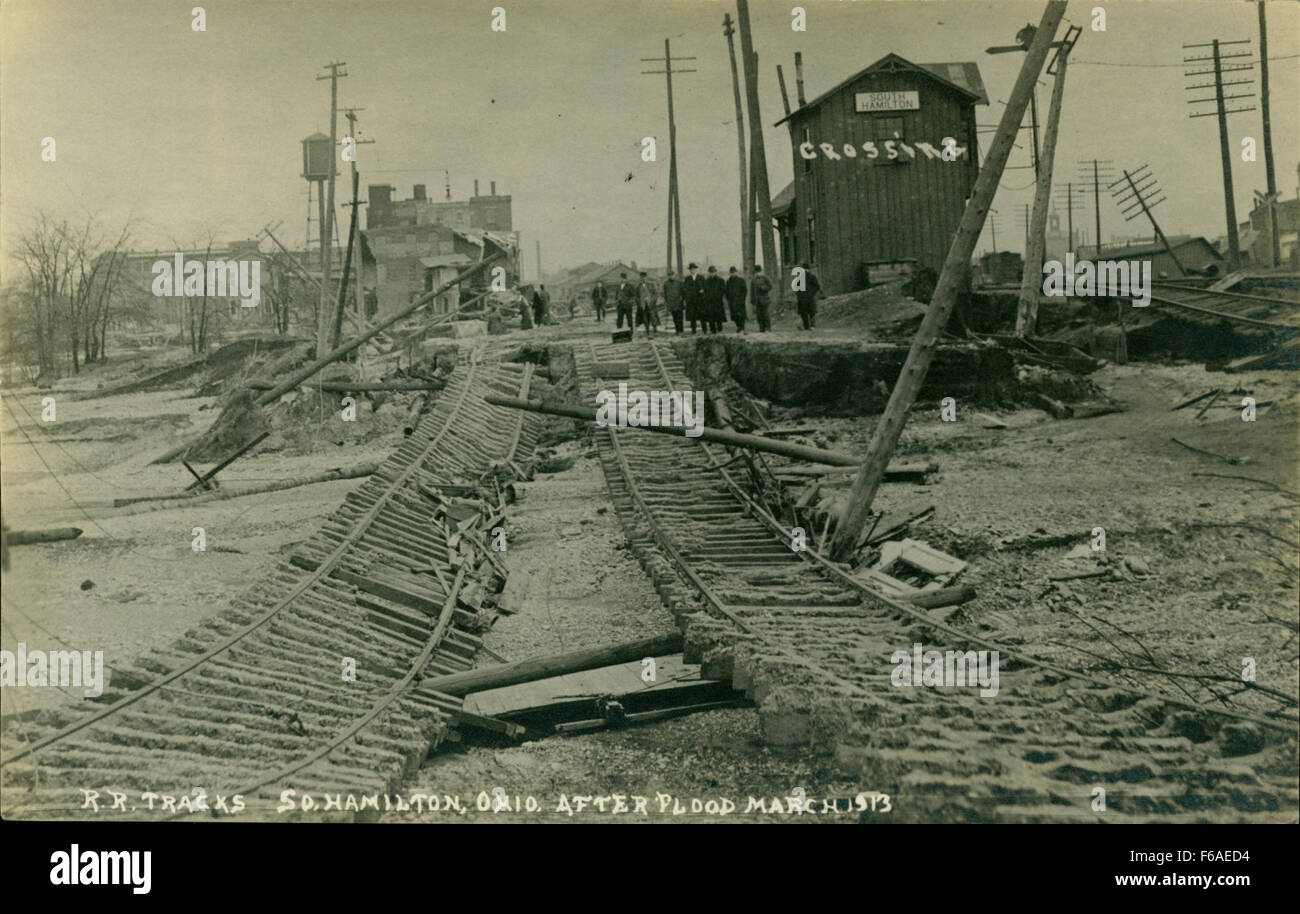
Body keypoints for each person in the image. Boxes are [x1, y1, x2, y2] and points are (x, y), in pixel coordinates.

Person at [795, 263, 821, 330]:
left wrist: (811, 293)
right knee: (804, 313)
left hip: (809, 298)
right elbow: (796, 288)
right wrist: (799, 295)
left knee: (811, 312)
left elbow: (817, 286)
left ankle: (812, 326)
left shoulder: (812, 277)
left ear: (809, 270)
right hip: (802, 298)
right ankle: (806, 326)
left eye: (806, 269)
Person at [703, 266, 727, 334]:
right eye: (710, 272)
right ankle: (712, 330)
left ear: (716, 272)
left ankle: (720, 329)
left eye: (713, 272)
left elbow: (723, 290)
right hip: (709, 302)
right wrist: (707, 297)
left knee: (719, 316)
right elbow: (705, 291)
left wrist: (718, 296)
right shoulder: (707, 281)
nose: (712, 273)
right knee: (711, 316)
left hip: (717, 301)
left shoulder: (720, 280)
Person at [684, 263, 706, 333]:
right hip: (691, 301)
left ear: (696, 269)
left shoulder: (701, 277)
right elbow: (685, 289)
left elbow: (705, 287)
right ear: (689, 270)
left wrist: (703, 290)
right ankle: (694, 330)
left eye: (693, 269)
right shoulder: (687, 279)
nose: (692, 270)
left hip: (700, 300)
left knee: (702, 315)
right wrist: (687, 298)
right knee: (692, 316)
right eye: (691, 269)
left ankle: (704, 330)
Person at [635, 271, 658, 338]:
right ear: (640, 278)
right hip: (643, 306)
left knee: (653, 318)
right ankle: (647, 332)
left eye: (644, 277)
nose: (643, 279)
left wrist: (652, 301)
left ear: (646, 277)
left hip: (651, 305)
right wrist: (639, 303)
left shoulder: (651, 285)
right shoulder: (638, 287)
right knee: (645, 319)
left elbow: (655, 294)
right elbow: (636, 296)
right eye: (641, 277)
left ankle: (655, 331)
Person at [725, 266, 748, 333]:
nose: (733, 274)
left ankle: (742, 328)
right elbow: (726, 291)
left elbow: (744, 290)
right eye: (731, 272)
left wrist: (742, 299)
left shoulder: (741, 280)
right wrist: (728, 299)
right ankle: (738, 327)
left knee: (741, 315)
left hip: (740, 301)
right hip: (732, 301)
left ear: (736, 272)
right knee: (734, 316)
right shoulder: (728, 281)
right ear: (730, 273)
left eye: (734, 272)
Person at [751, 264, 773, 332]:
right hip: (757, 300)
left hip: (765, 299)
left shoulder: (765, 278)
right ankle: (761, 328)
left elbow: (770, 286)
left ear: (761, 271)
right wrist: (752, 299)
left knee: (766, 314)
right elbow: (752, 291)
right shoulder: (753, 280)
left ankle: (768, 328)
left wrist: (763, 288)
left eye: (758, 272)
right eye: (756, 272)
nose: (757, 274)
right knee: (759, 316)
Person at [662, 270, 684, 334]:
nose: (671, 277)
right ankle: (677, 330)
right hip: (671, 303)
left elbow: (682, 292)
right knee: (674, 317)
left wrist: (681, 299)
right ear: (668, 276)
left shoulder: (679, 283)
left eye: (672, 275)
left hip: (678, 303)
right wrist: (667, 302)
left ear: (674, 275)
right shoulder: (666, 284)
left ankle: (681, 330)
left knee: (680, 317)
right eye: (669, 275)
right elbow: (665, 294)